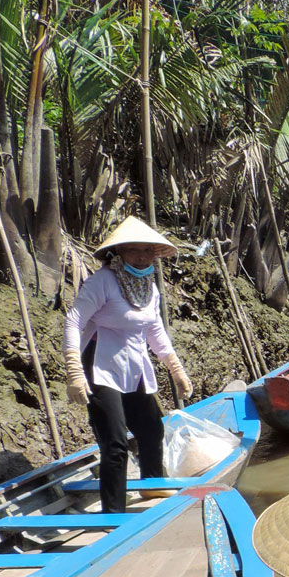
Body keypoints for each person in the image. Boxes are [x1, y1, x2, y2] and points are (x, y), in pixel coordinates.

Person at [63, 216, 193, 515]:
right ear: (119, 252)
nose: (142, 257)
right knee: (116, 442)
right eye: (135, 251)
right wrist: (73, 370)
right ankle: (113, 512)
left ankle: (152, 482)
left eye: (148, 251)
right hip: (99, 363)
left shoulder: (149, 286)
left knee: (151, 429)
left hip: (134, 365)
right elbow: (74, 320)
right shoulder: (102, 282)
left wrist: (176, 368)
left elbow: (155, 330)